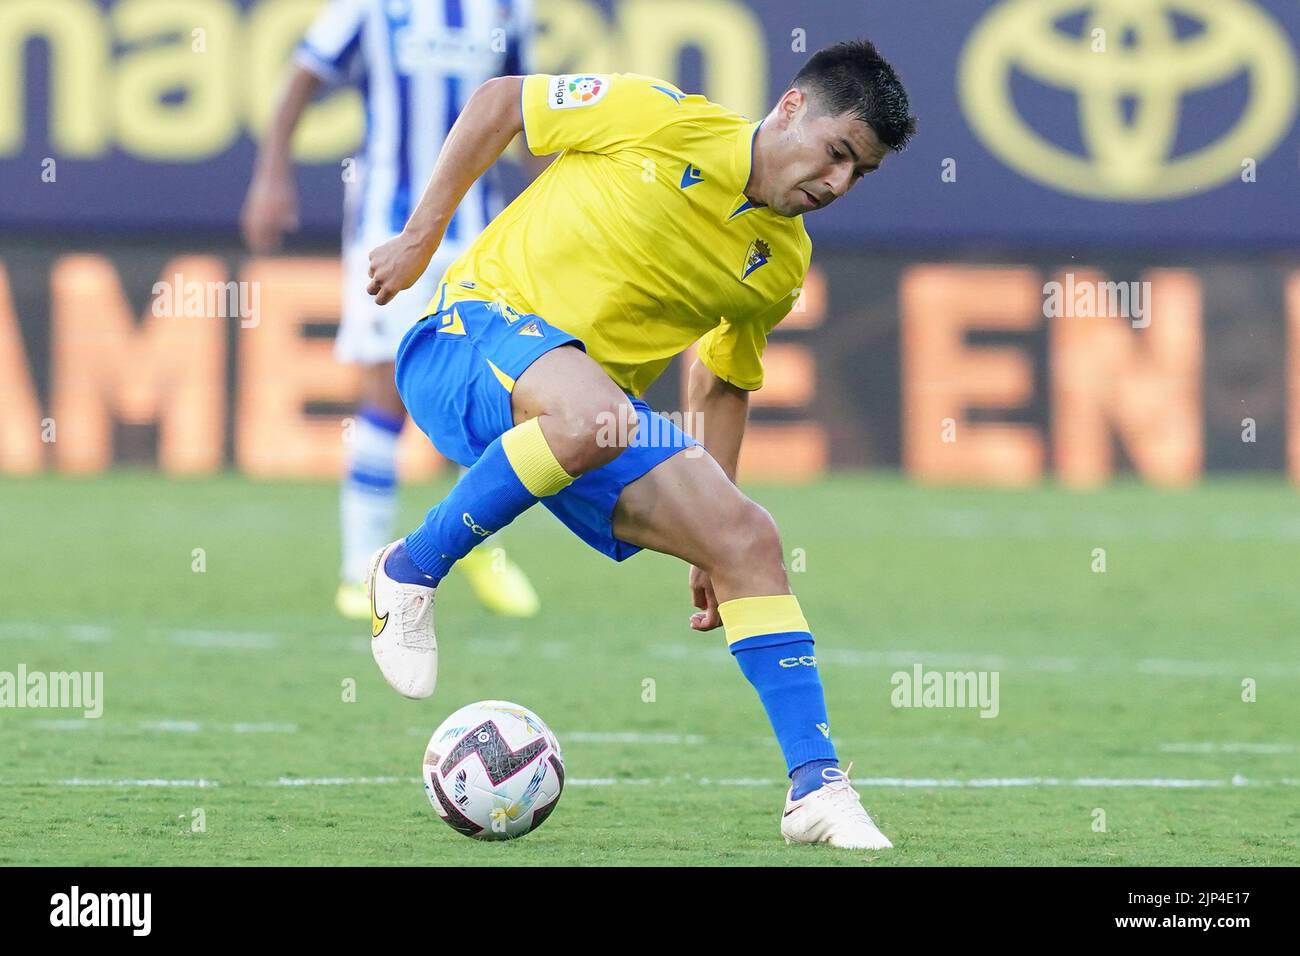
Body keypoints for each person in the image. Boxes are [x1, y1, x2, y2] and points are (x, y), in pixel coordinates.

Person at [366, 42, 916, 849]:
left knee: (749, 539)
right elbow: (499, 102)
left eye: (858, 174)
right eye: (838, 153)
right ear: (792, 108)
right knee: (597, 418)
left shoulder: (779, 263)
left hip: (581, 419)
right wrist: (422, 236)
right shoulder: (659, 117)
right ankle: (410, 569)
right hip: (466, 337)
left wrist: (709, 535)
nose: (837, 183)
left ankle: (816, 788)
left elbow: (723, 381)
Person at [241, 0, 543, 621]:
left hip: (479, 233)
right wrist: (272, 176)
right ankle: (360, 572)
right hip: (391, 223)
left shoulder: (510, 8)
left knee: (496, 394)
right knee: (386, 391)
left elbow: (529, 114)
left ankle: (481, 543)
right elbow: (303, 77)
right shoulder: (371, 5)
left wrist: (550, 210)